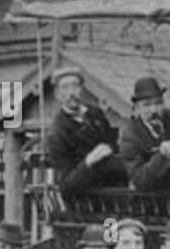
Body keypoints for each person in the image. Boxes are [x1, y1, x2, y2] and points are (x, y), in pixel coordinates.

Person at [46, 65, 128, 193]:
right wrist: (89, 161)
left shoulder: (96, 114)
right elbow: (66, 185)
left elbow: (113, 148)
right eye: (65, 87)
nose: (71, 92)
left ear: (82, 89)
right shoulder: (57, 132)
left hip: (113, 190)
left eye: (75, 86)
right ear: (58, 94)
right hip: (85, 201)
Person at [119, 76, 170, 192]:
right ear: (137, 107)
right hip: (148, 204)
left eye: (158, 103)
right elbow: (139, 180)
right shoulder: (130, 135)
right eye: (147, 105)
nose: (154, 110)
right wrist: (162, 156)